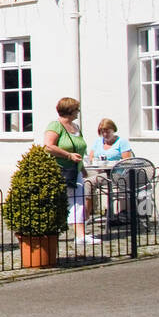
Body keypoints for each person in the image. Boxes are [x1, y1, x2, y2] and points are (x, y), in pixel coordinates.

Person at [44, 97, 95, 244]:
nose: (78, 112)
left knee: (78, 201)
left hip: (75, 170)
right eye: (76, 109)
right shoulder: (56, 126)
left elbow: (79, 148)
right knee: (56, 202)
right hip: (59, 170)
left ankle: (80, 236)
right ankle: (49, 233)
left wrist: (82, 168)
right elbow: (48, 146)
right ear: (70, 110)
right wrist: (68, 155)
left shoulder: (76, 128)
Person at [84, 117, 133, 219]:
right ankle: (85, 215)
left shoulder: (121, 142)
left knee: (88, 182)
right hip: (101, 172)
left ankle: (89, 216)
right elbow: (91, 157)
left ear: (113, 130)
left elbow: (127, 161)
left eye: (108, 131)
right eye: (102, 132)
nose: (105, 135)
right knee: (86, 183)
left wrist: (113, 163)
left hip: (118, 174)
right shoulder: (98, 142)